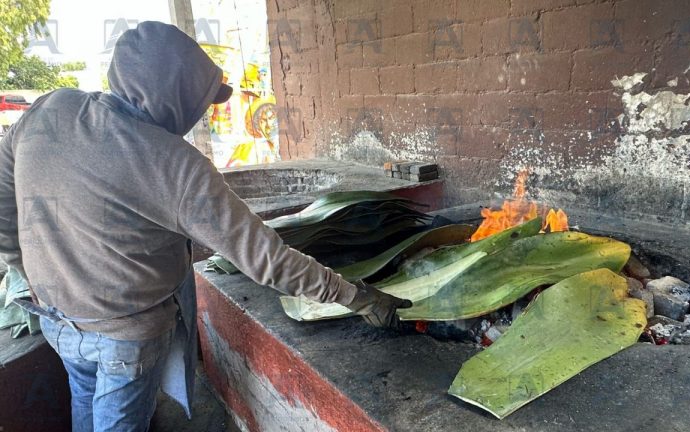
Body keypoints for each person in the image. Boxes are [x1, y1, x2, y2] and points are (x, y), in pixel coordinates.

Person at [0, 21, 410, 432]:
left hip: (54, 317)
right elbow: (265, 257)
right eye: (199, 101)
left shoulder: (52, 109)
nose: (201, 113)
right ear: (174, 94)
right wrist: (357, 297)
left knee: (85, 409)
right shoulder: (172, 164)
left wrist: (21, 263)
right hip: (124, 338)